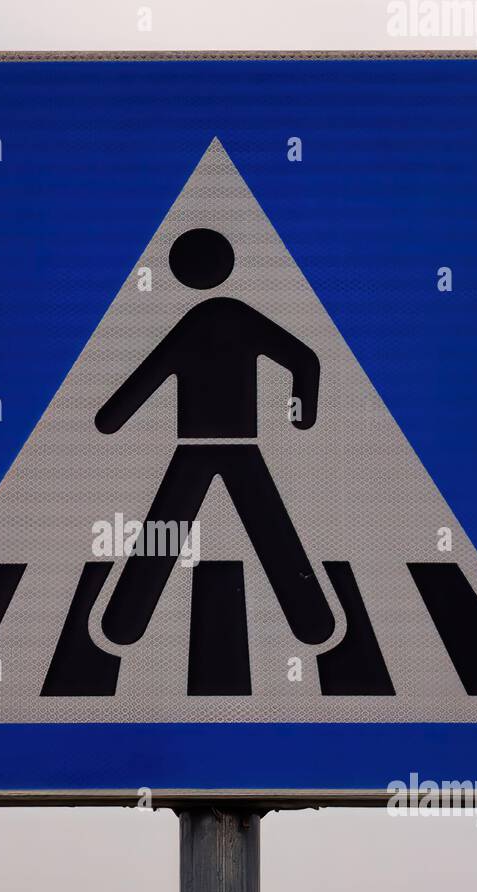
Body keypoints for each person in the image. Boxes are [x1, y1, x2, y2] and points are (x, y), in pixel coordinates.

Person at [96, 227, 335, 647]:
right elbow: (304, 360)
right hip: (230, 448)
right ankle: (313, 622)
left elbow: (151, 374)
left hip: (201, 449)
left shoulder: (205, 320)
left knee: (168, 530)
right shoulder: (233, 317)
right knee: (265, 528)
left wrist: (112, 420)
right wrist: (300, 416)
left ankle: (123, 624)